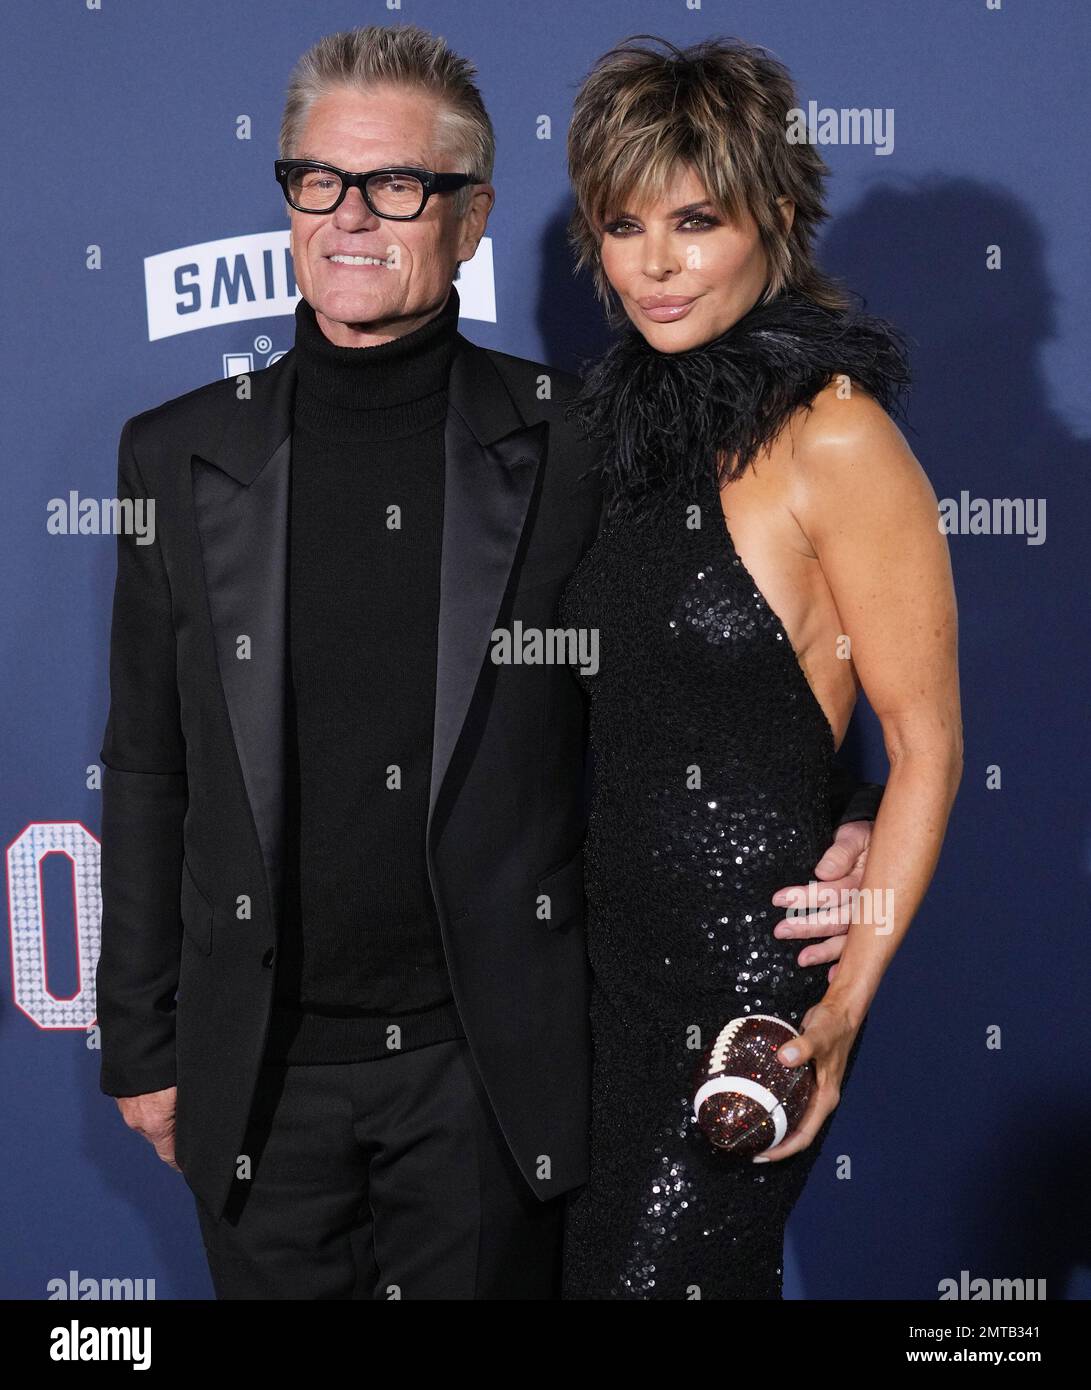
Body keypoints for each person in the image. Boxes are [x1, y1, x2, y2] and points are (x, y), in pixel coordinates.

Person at [96, 24, 885, 1301]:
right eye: (319, 180)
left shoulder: (579, 439)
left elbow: (703, 662)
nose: (351, 218)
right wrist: (138, 1040)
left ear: (469, 221)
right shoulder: (175, 455)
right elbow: (144, 763)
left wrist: (846, 805)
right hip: (258, 1074)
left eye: (397, 185)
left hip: (490, 1071)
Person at [558, 34, 962, 1300]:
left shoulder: (836, 434)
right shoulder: (631, 431)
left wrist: (835, 1014)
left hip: (746, 1000)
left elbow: (929, 746)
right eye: (623, 226)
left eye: (694, 220)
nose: (654, 265)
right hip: (604, 981)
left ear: (775, 217)